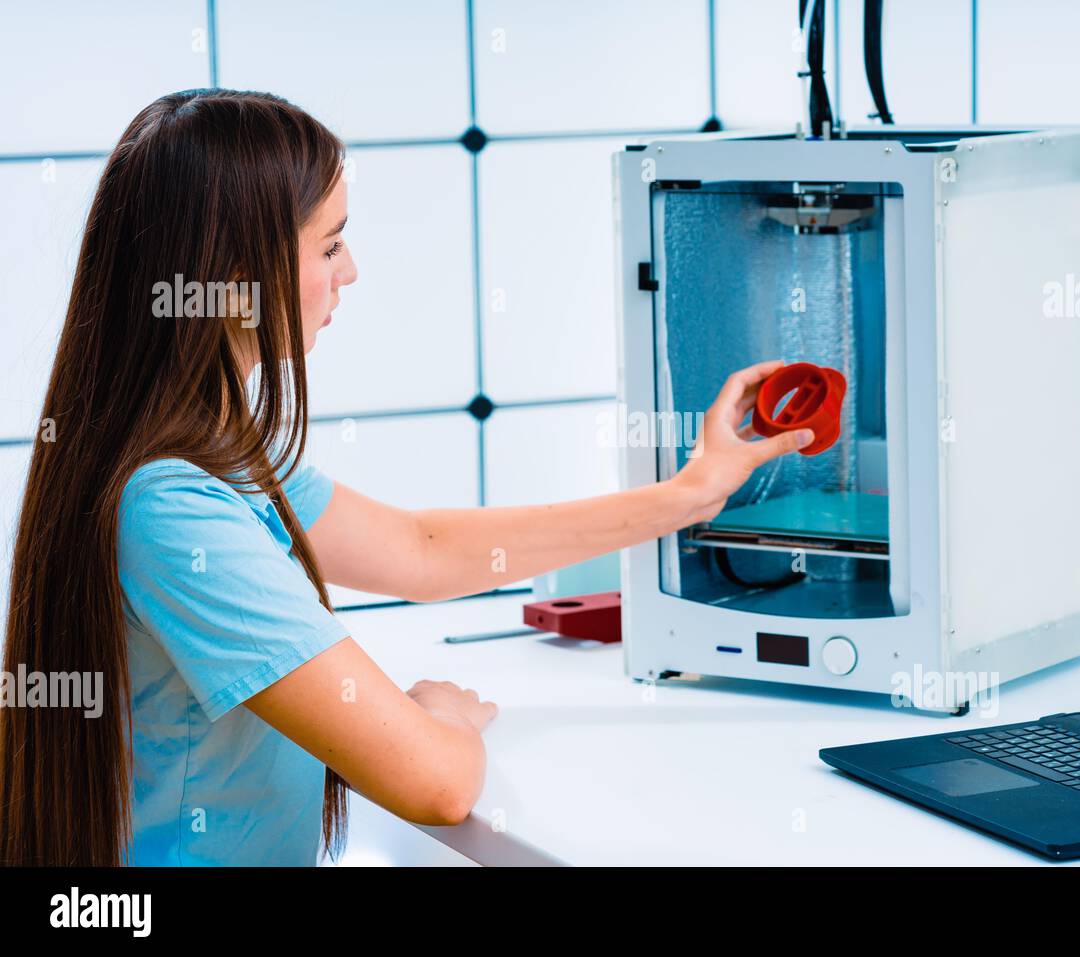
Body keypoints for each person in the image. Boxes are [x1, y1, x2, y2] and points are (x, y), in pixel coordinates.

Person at [0, 89, 814, 866]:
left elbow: (421, 549)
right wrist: (439, 713)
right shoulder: (171, 505)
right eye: (329, 244)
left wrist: (691, 494)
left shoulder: (211, 449)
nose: (348, 272)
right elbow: (435, 782)